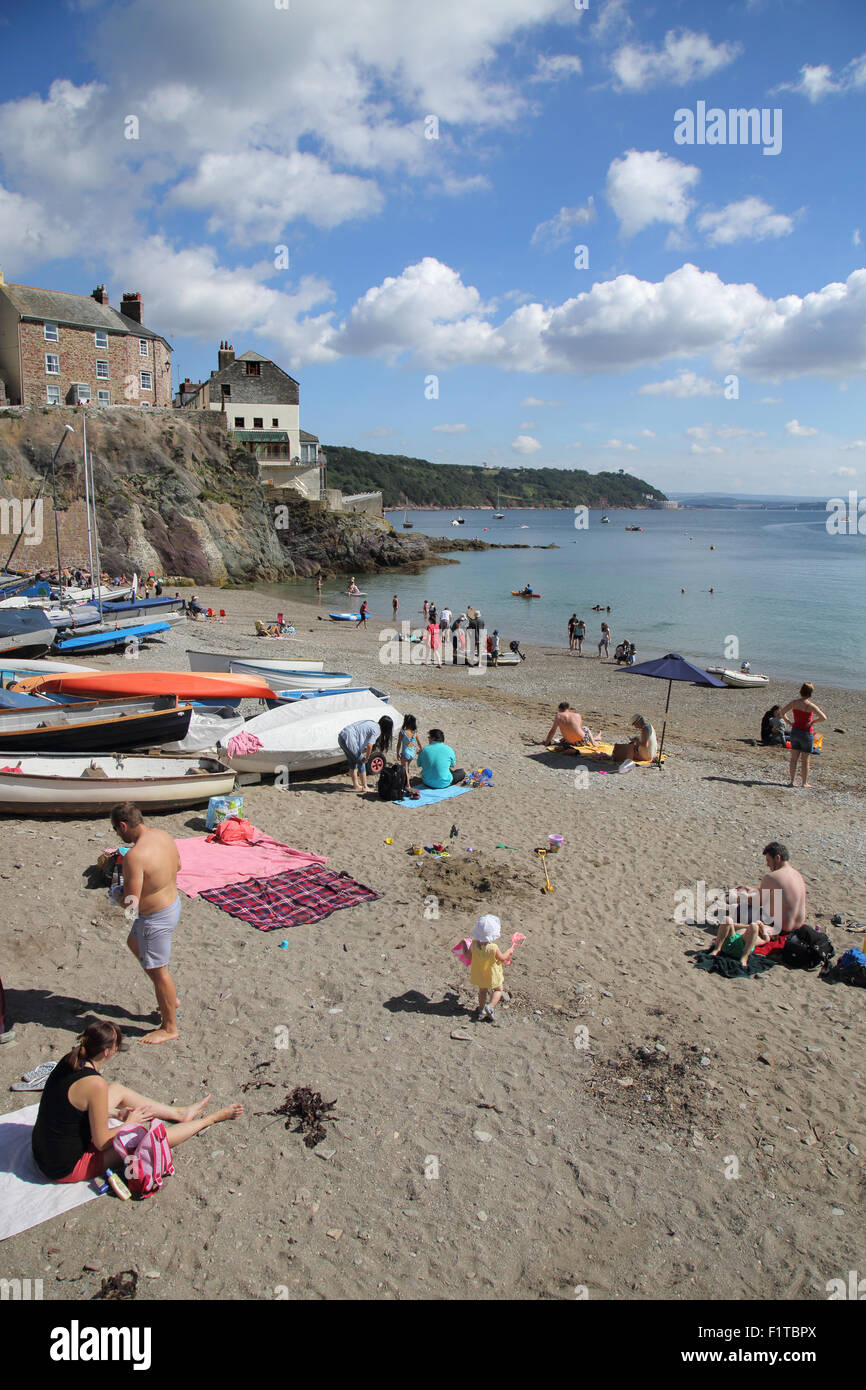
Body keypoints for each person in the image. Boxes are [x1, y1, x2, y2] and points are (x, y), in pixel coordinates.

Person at [31, 1021, 242, 1185]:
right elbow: (102, 1142)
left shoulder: (72, 1059)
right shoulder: (95, 1084)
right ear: (107, 1052)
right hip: (65, 1166)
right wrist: (129, 1123)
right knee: (145, 1136)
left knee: (116, 1089)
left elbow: (72, 1107)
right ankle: (209, 1120)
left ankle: (179, 1113)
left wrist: (115, 1114)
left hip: (44, 1148)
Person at [111, 802, 182, 1045]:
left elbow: (131, 905)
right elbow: (178, 866)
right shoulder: (163, 835)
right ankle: (168, 997)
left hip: (155, 919)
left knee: (159, 972)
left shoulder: (134, 856)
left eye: (115, 829)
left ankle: (170, 1027)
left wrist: (116, 895)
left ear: (123, 826)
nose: (117, 834)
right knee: (134, 942)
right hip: (172, 904)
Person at [709, 842, 807, 965]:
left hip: (778, 926)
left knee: (736, 909)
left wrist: (739, 898)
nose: (767, 864)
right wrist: (751, 889)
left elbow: (757, 902)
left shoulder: (771, 877)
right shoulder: (797, 875)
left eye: (768, 860)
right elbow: (771, 891)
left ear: (777, 858)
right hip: (797, 925)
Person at [780, 682, 827, 788]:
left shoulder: (794, 703)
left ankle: (792, 781)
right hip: (806, 733)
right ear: (810, 693)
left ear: (801, 691)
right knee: (805, 759)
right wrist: (812, 722)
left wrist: (789, 722)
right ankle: (804, 782)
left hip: (795, 731)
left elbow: (782, 712)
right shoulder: (810, 706)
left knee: (794, 758)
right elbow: (823, 717)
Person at [469, 915, 514, 1024]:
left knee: (482, 991)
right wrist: (509, 951)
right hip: (492, 975)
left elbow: (469, 955)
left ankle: (481, 1009)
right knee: (498, 989)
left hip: (480, 974)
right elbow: (502, 958)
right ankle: (490, 1006)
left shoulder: (473, 944)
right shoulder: (493, 948)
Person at [337, 715, 394, 795]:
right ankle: (365, 787)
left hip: (341, 737)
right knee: (361, 762)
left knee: (353, 762)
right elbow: (369, 745)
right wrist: (367, 758)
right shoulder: (377, 730)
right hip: (348, 739)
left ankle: (356, 785)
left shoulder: (372, 723)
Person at [397, 714, 422, 795]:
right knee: (407, 769)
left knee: (405, 769)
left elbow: (399, 744)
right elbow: (420, 744)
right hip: (412, 753)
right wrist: (420, 750)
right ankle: (406, 782)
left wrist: (397, 753)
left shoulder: (402, 732)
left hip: (405, 753)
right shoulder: (414, 733)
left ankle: (407, 785)